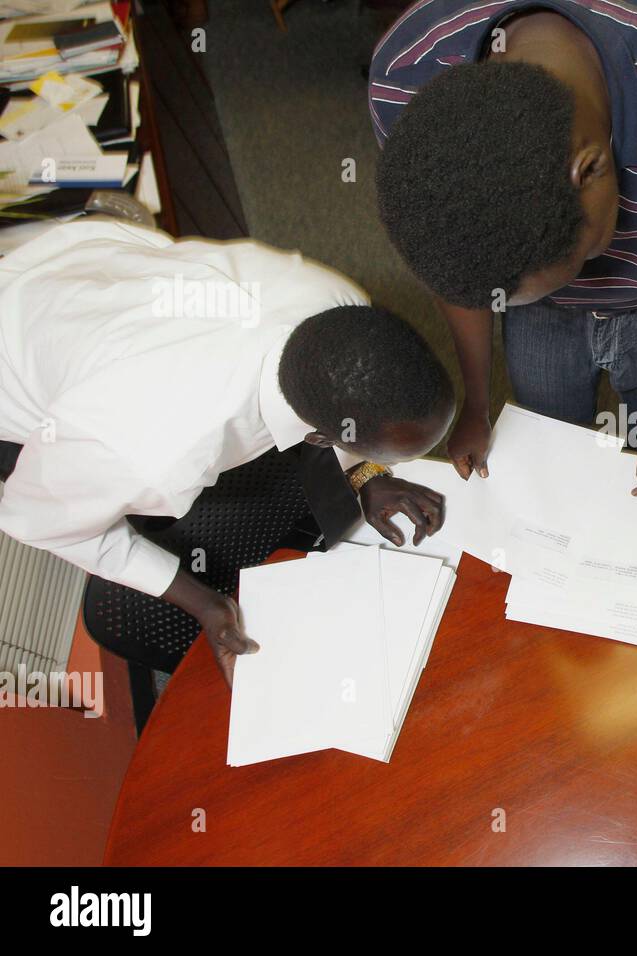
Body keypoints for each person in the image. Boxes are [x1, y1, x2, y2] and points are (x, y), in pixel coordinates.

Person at [370, 0, 637, 520]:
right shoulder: (406, 76)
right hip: (542, 315)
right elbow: (457, 266)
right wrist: (477, 403)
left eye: (568, 270)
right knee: (553, 448)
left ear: (590, 167)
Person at [0, 219, 455, 683]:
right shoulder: (157, 453)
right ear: (318, 436)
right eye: (389, 456)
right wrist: (206, 603)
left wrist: (368, 474)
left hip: (79, 270)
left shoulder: (337, 301)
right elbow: (39, 521)